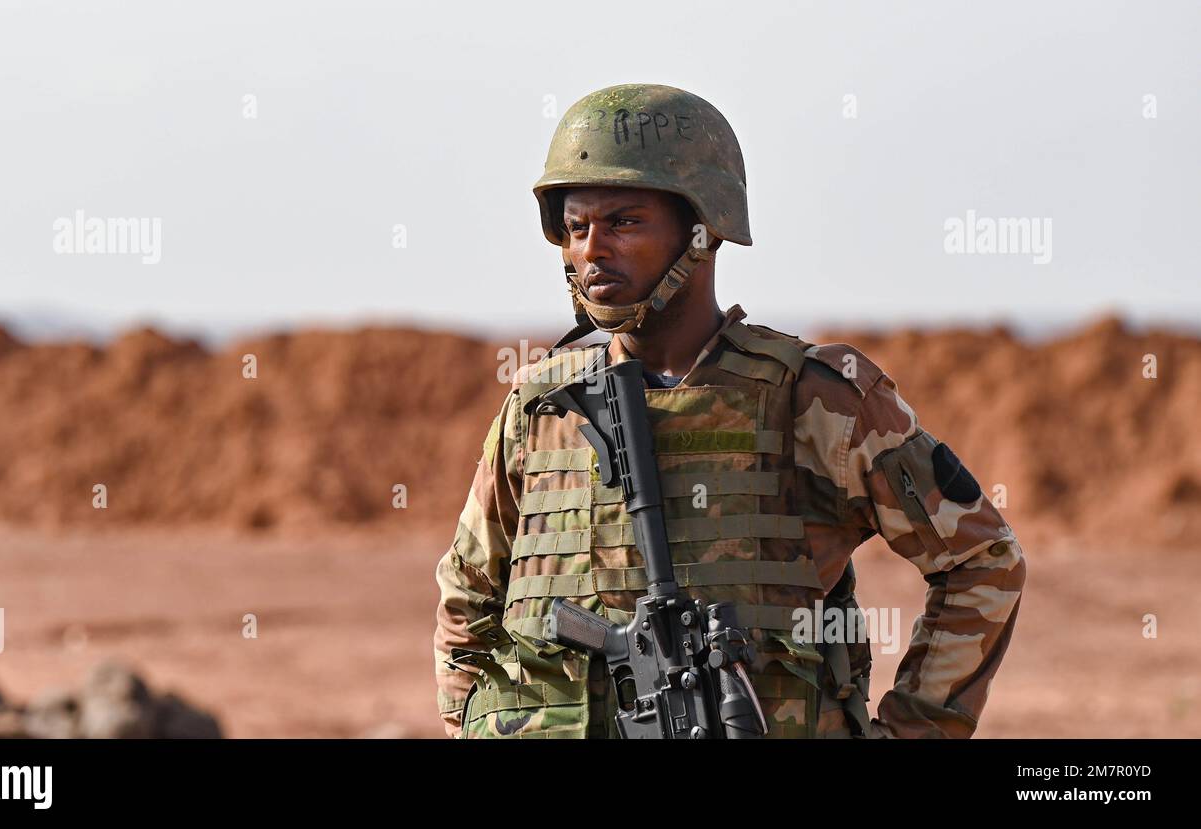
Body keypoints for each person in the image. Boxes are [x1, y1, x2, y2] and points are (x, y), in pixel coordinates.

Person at [433, 83, 1026, 739]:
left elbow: (981, 560)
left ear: (702, 229)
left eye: (625, 222)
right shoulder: (541, 405)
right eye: (576, 227)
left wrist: (912, 729)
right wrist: (471, 722)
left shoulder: (815, 397)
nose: (592, 249)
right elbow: (468, 596)